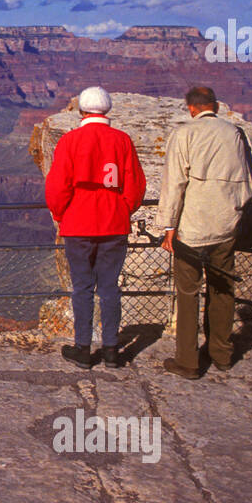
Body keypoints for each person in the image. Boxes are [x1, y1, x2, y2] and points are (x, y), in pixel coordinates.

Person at [156, 86, 252, 379]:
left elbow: (174, 184)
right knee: (223, 290)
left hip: (191, 230)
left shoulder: (184, 134)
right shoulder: (239, 134)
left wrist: (169, 227)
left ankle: (188, 362)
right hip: (227, 227)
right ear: (215, 106)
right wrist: (234, 204)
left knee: (188, 293)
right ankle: (222, 355)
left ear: (191, 108)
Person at [45, 87, 146, 369]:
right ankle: (112, 349)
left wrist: (60, 212)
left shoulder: (70, 141)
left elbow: (57, 186)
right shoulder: (122, 140)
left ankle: (83, 348)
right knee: (110, 287)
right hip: (114, 222)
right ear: (107, 110)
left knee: (82, 288)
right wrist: (123, 208)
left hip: (78, 223)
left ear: (82, 111)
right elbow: (135, 184)